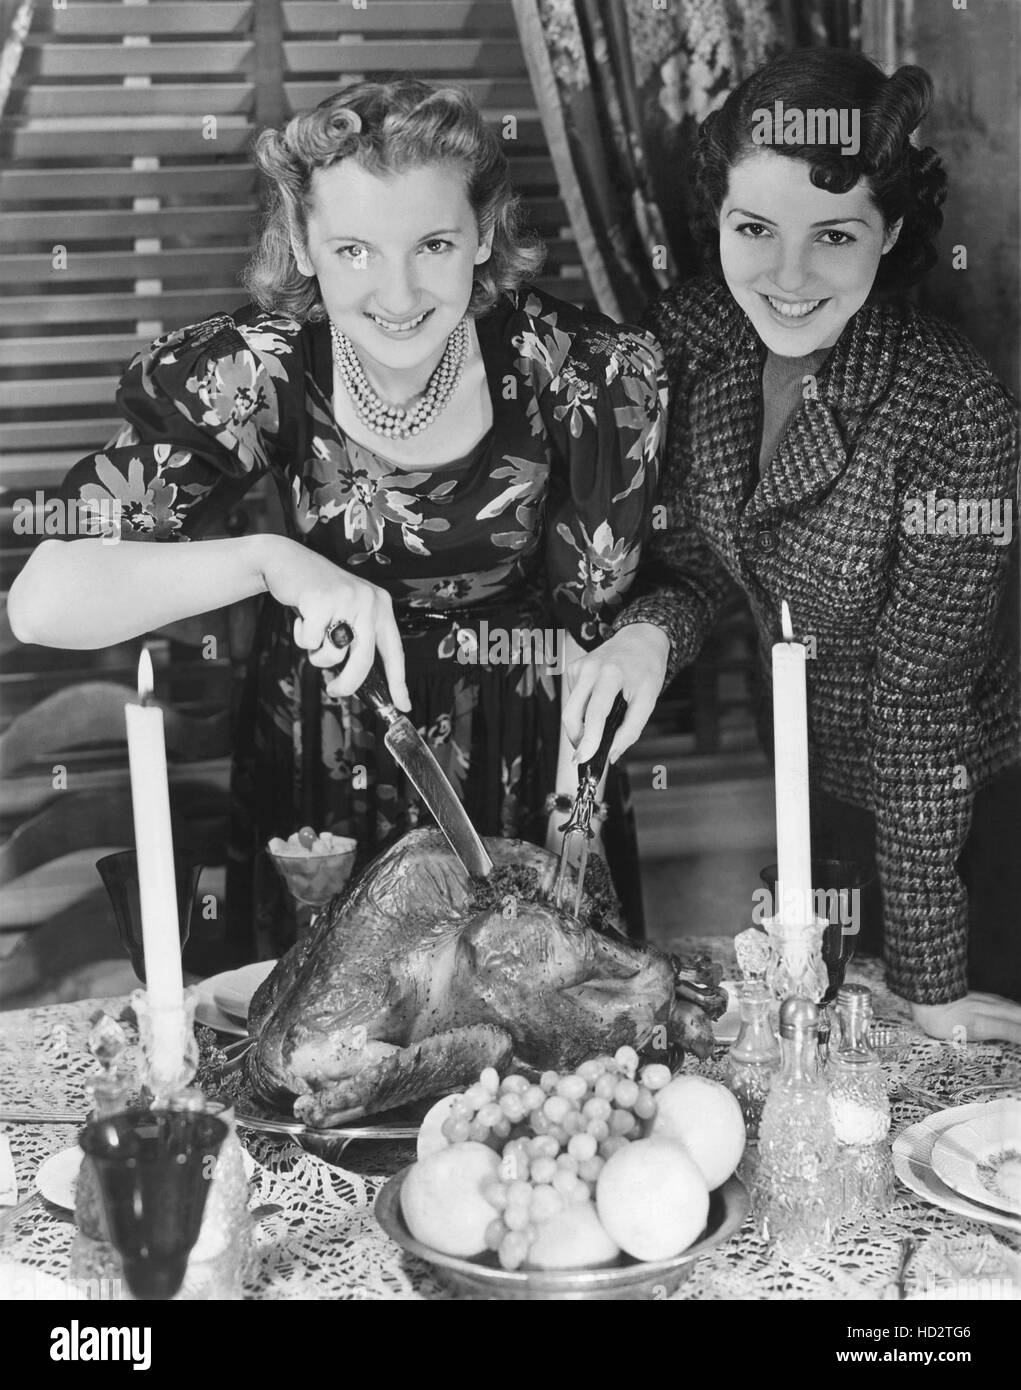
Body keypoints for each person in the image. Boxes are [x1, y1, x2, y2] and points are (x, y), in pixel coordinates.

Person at [9, 79, 670, 952]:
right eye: (354, 249)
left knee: (538, 1052)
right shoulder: (260, 367)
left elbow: (605, 622)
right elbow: (42, 603)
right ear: (303, 246)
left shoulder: (588, 373)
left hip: (535, 757)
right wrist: (274, 561)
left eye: (433, 242)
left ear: (483, 238)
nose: (396, 293)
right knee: (323, 1056)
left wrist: (566, 838)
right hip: (323, 767)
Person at [570, 49, 1020, 1043]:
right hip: (809, 773)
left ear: (891, 232)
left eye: (833, 236)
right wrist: (647, 634)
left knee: (948, 1092)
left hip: (963, 802)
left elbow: (921, 708)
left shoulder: (956, 414)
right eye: (754, 229)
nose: (785, 276)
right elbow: (692, 557)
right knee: (811, 1060)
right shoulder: (693, 336)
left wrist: (931, 977)